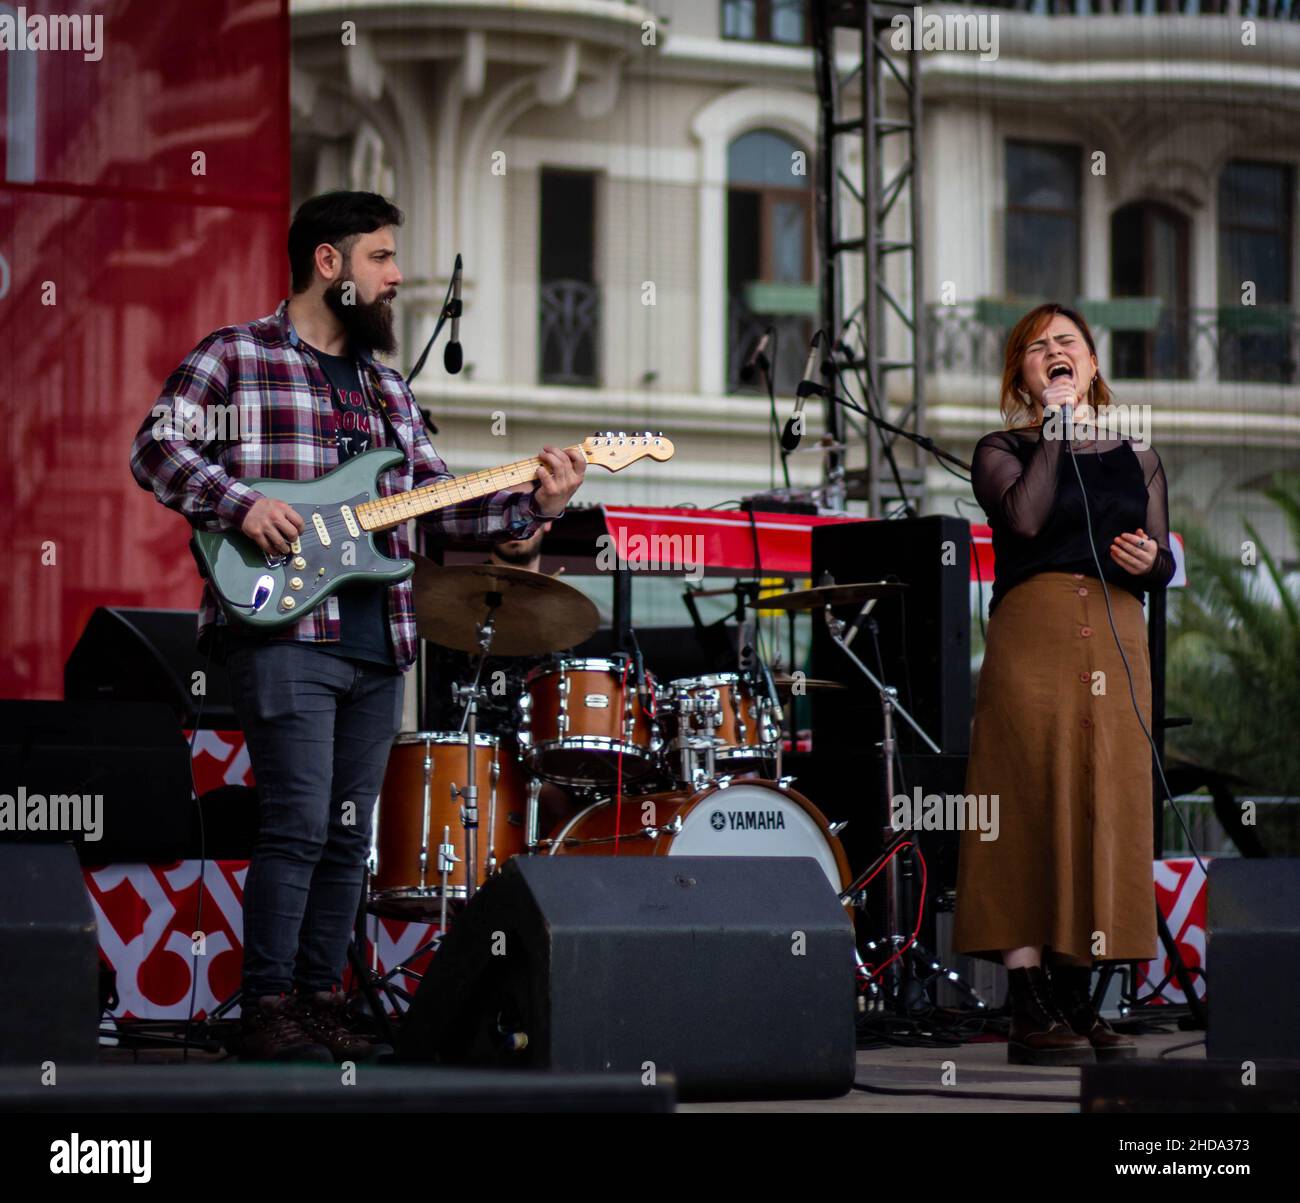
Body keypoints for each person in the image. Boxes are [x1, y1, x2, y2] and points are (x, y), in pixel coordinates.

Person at [129, 191, 586, 1062]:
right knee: (297, 821)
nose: (396, 276)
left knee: (347, 833)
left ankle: (317, 1000)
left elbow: (441, 513)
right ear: (328, 264)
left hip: (384, 641)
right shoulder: (239, 356)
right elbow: (157, 447)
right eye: (380, 258)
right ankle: (266, 1005)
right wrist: (242, 501)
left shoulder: (385, 388)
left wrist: (535, 503)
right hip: (288, 629)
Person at [952, 303, 1175, 1065]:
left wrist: (1155, 564)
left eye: (1067, 342)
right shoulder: (1001, 447)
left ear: (1092, 362)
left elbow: (1162, 557)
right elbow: (1022, 518)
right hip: (1033, 635)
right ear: (1022, 373)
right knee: (1023, 797)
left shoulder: (1139, 455)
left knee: (1102, 798)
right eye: (1038, 347)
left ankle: (1079, 995)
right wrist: (1055, 426)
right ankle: (1026, 999)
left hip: (1117, 639)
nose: (1054, 351)